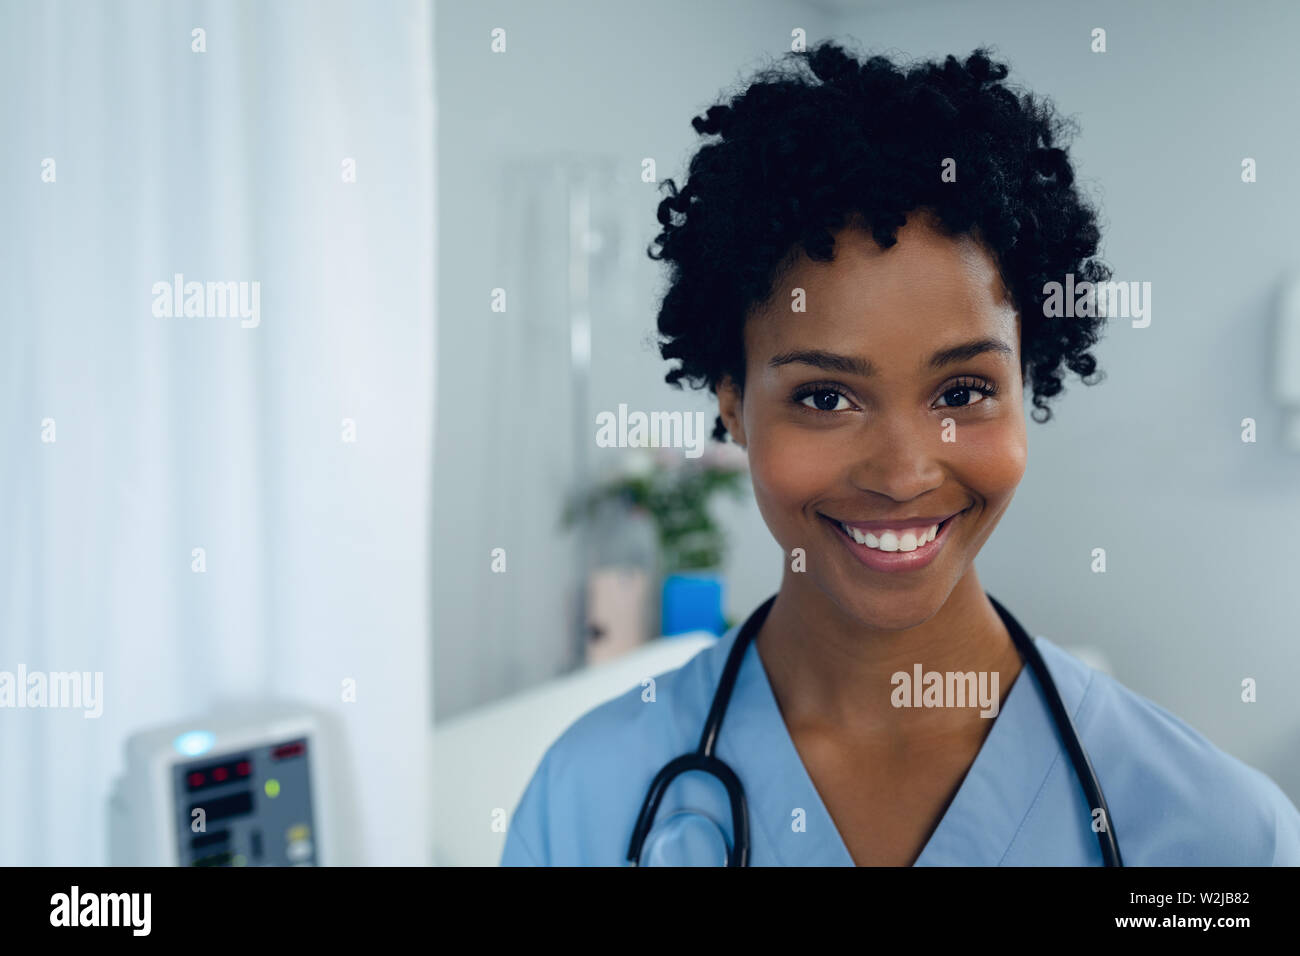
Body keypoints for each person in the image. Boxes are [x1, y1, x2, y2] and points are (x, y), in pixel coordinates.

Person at [500, 40, 1300, 865]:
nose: (903, 473)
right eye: (825, 397)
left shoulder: (1218, 834)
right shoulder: (586, 799)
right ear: (733, 404)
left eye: (961, 393)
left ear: (1030, 378)